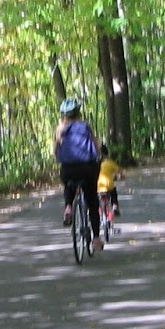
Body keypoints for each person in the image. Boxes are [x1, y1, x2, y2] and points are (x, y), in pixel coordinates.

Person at [53, 98, 103, 248]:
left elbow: (56, 150)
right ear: (78, 113)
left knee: (68, 185)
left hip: (68, 168)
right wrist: (100, 156)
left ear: (64, 115)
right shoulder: (85, 126)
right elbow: (96, 145)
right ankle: (96, 238)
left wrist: (59, 159)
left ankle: (68, 206)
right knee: (92, 202)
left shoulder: (60, 129)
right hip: (87, 168)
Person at [97, 144, 122, 221]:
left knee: (97, 198)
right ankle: (115, 205)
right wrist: (119, 177)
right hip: (109, 185)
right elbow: (120, 173)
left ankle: (98, 211)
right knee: (113, 191)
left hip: (99, 187)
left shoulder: (95, 163)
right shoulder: (110, 163)